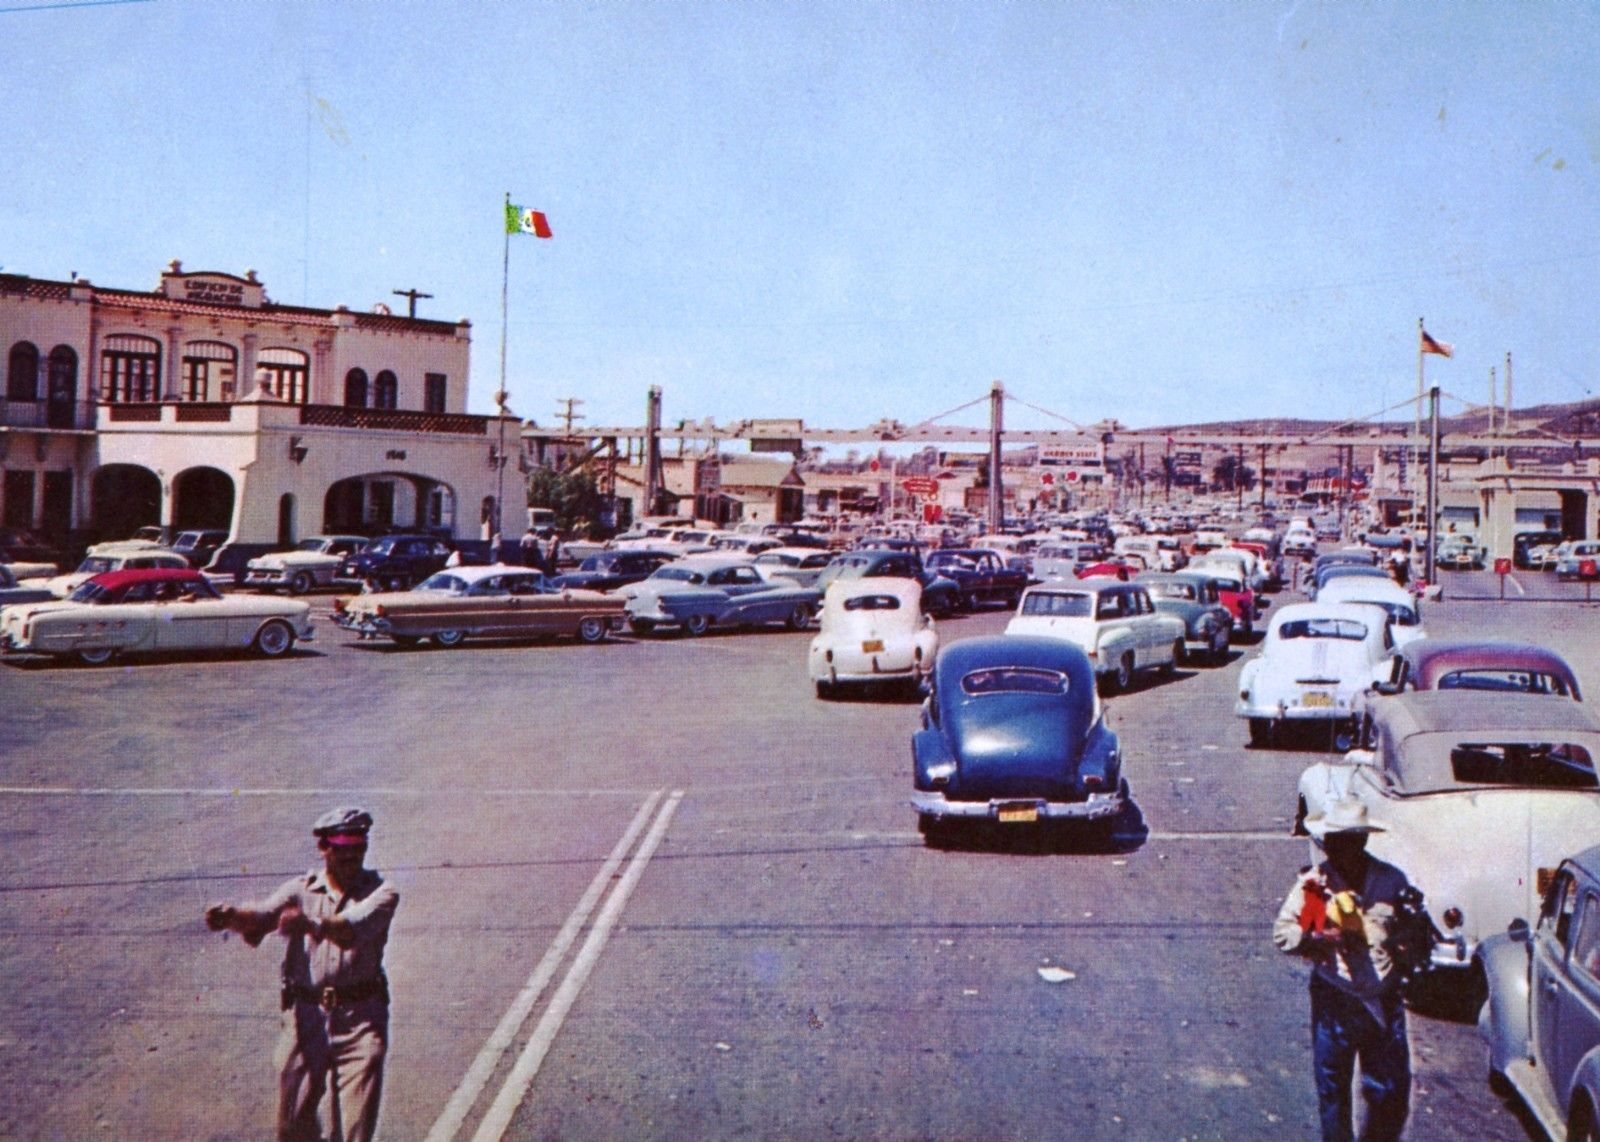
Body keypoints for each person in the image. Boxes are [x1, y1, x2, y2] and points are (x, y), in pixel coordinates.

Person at [205, 808, 399, 1142]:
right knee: (292, 1128)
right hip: (306, 1018)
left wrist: (310, 924)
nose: (351, 853)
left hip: (361, 1020)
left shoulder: (382, 893)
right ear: (324, 847)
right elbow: (261, 917)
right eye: (342, 845)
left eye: (358, 844)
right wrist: (232, 917)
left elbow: (351, 929)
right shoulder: (300, 890)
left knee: (355, 1131)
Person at [1273, 799, 1417, 1141]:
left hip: (1380, 999)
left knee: (1389, 1091)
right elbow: (1284, 933)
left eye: (1346, 841)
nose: (1337, 849)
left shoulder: (1390, 881)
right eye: (1333, 841)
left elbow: (1414, 932)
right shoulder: (1315, 886)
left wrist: (1406, 943)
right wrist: (1318, 937)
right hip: (1335, 997)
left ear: (1362, 841)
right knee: (1333, 1088)